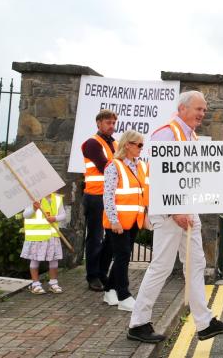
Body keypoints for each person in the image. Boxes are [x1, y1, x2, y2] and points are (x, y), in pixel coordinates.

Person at [127, 91, 223, 343]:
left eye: (204, 110)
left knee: (196, 263)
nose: (202, 114)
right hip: (170, 212)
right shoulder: (166, 133)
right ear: (182, 108)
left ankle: (205, 323)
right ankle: (138, 324)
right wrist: (174, 210)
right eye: (199, 109)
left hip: (187, 209)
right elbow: (155, 176)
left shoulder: (191, 136)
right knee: (161, 267)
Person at [101, 130, 148, 312]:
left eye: (142, 145)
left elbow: (143, 192)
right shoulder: (114, 166)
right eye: (139, 145)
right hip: (118, 222)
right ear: (127, 145)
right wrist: (114, 220)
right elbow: (108, 195)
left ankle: (109, 290)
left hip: (134, 220)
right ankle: (124, 295)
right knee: (122, 256)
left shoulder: (141, 166)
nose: (141, 148)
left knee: (124, 255)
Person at [81, 109, 117, 291]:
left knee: (110, 238)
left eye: (113, 123)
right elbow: (106, 167)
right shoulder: (92, 143)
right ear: (99, 123)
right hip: (95, 196)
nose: (112, 126)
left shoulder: (115, 143)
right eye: (108, 122)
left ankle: (102, 273)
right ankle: (93, 276)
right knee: (95, 238)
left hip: (110, 196)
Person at [22, 193, 66, 294]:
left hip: (52, 235)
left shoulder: (57, 198)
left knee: (54, 259)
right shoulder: (33, 198)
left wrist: (55, 218)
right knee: (35, 259)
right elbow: (25, 215)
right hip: (36, 236)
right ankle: (35, 284)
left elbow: (63, 214)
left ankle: (53, 283)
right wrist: (34, 208)